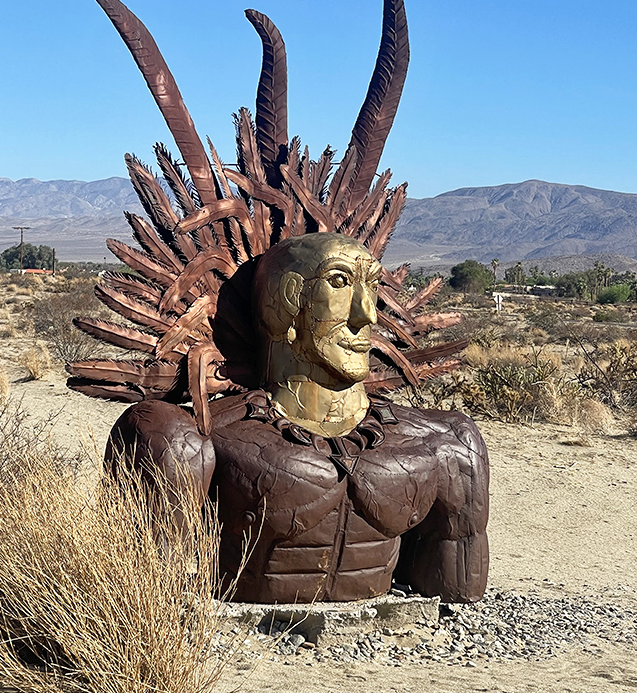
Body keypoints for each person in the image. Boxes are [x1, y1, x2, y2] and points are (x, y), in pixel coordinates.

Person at [107, 233, 489, 603]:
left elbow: (454, 592)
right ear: (287, 300)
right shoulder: (197, 438)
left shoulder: (443, 443)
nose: (366, 313)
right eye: (339, 282)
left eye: (371, 286)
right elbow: (140, 596)